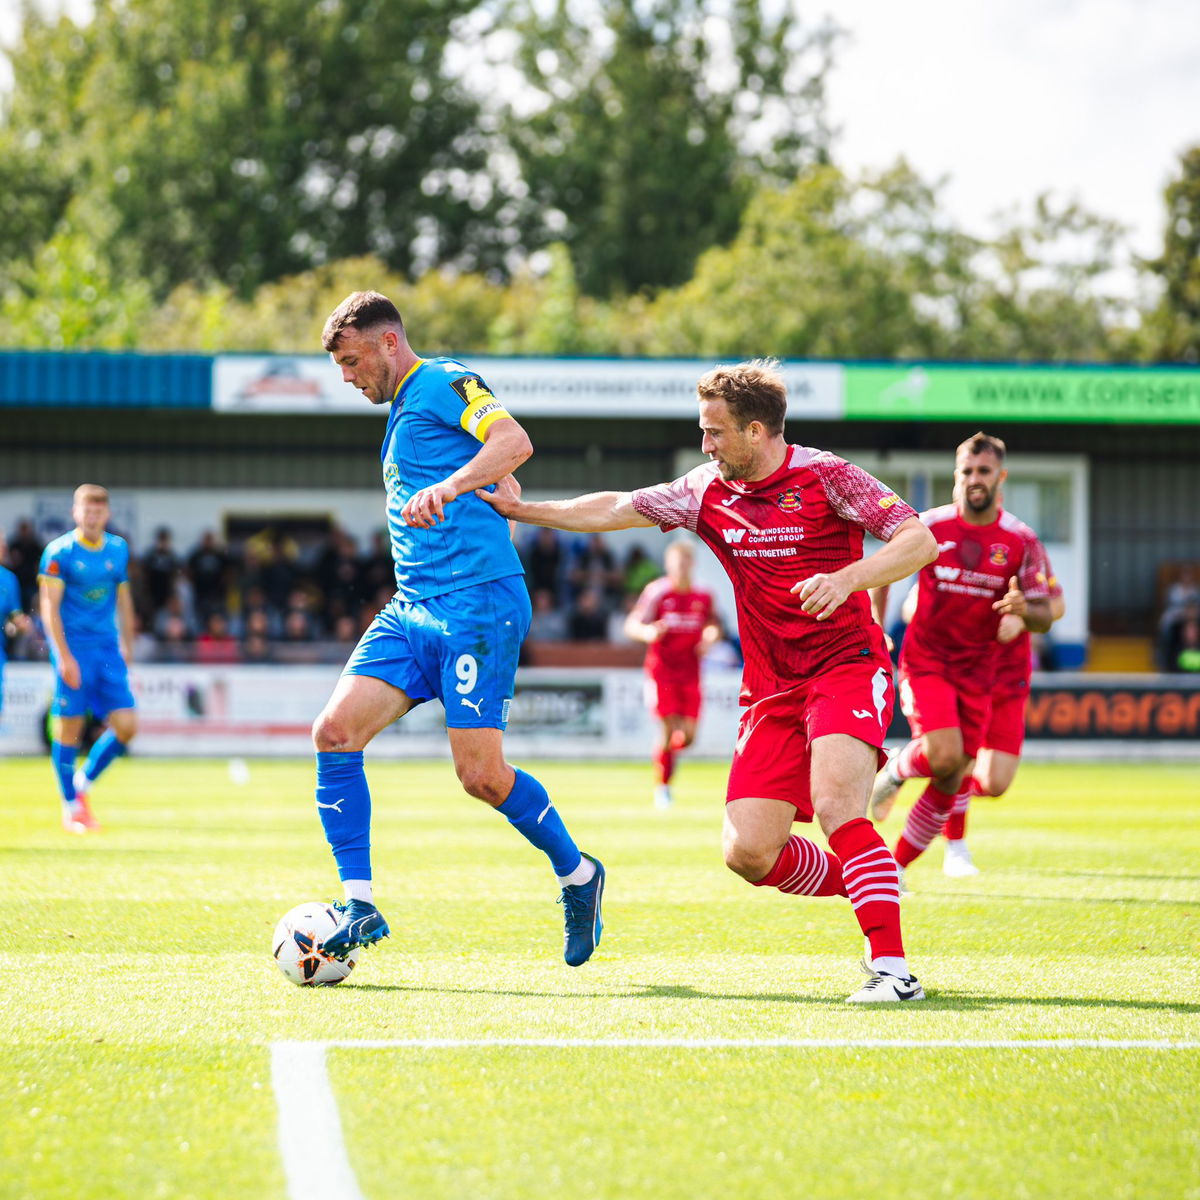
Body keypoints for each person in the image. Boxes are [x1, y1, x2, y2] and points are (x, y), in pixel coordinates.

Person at [479, 359, 937, 1003]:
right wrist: (528, 511)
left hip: (846, 665)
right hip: (772, 685)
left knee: (837, 807)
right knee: (749, 854)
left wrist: (845, 581)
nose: (705, 445)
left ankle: (893, 971)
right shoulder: (703, 491)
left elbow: (917, 541)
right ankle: (872, 878)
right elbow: (618, 506)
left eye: (715, 432)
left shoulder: (828, 475)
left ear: (756, 430)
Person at [312, 290, 604, 966]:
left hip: (478, 604)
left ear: (389, 342)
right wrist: (478, 484)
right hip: (413, 606)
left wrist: (454, 485)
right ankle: (358, 901)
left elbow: (514, 441)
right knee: (333, 732)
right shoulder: (404, 410)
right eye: (341, 368)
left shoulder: (442, 379)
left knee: (480, 776)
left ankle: (579, 874)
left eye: (354, 362)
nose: (350, 378)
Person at [868, 433, 1055, 881]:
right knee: (945, 754)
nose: (975, 479)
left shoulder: (1019, 540)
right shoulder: (928, 526)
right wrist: (876, 626)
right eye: (967, 471)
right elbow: (881, 572)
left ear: (1000, 477)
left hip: (980, 672)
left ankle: (893, 871)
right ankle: (897, 767)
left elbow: (1046, 614)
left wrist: (1026, 612)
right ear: (956, 477)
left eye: (983, 472)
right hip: (927, 661)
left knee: (952, 777)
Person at [38, 484, 140, 833]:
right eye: (87, 511)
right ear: (75, 512)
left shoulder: (118, 549)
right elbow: (48, 607)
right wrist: (63, 656)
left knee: (127, 726)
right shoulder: (59, 552)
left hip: (107, 649)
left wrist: (128, 642)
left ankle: (82, 784)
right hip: (74, 649)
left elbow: (123, 599)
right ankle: (71, 807)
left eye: (99, 511)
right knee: (70, 728)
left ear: (106, 514)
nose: (93, 517)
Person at [624, 539, 720, 808]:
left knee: (688, 736)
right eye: (678, 562)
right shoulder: (657, 592)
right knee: (667, 729)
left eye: (687, 562)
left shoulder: (704, 596)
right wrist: (648, 632)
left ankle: (664, 757)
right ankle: (663, 787)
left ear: (693, 564)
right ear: (669, 564)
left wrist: (710, 637)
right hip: (662, 672)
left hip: (691, 672)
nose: (682, 567)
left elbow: (714, 624)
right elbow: (631, 624)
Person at [1, 531, 34, 725]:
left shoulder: (8, 579)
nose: (3, 548)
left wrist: (20, 625)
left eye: (3, 544)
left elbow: (13, 618)